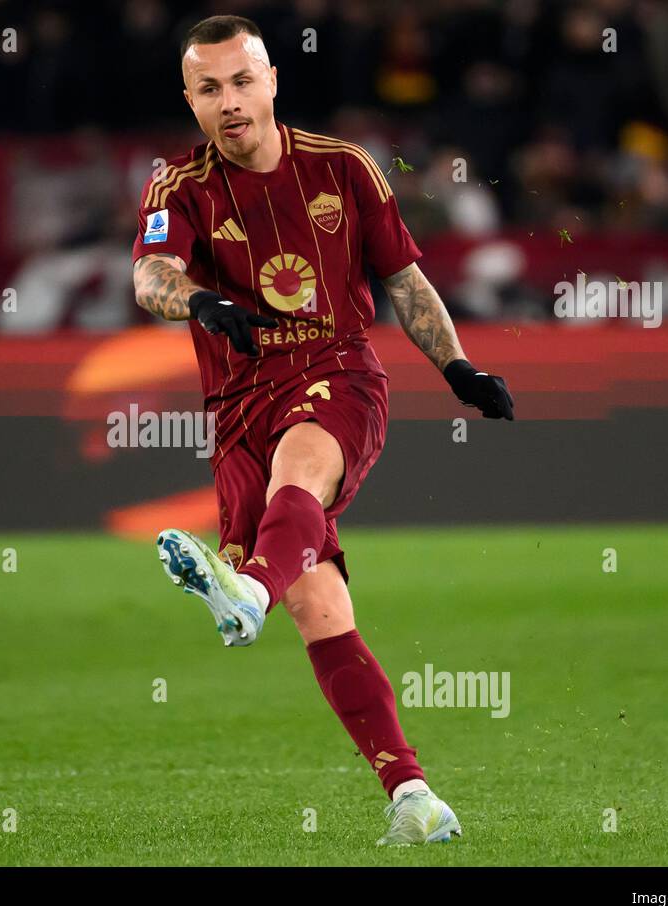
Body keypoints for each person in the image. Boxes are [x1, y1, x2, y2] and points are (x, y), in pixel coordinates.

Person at [131, 15, 514, 847]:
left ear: (272, 81)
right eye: (209, 89)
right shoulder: (179, 189)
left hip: (335, 375)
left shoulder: (345, 168)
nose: (229, 103)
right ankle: (413, 796)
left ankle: (247, 592)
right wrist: (197, 300)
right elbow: (150, 273)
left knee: (298, 478)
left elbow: (403, 280)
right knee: (320, 608)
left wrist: (458, 369)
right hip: (236, 412)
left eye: (242, 81)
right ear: (190, 101)